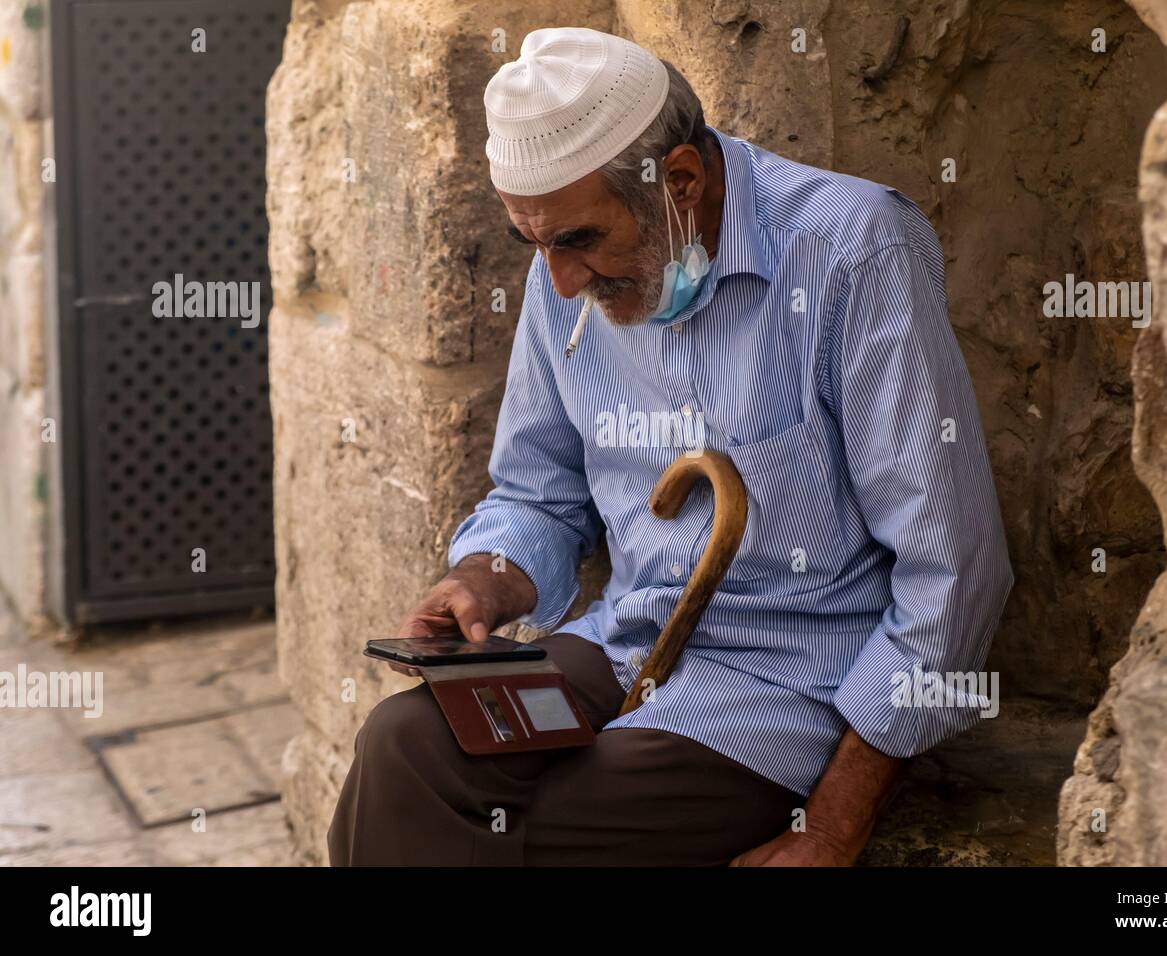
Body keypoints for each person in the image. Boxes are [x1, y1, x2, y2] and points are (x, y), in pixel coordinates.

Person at [328, 26, 1013, 867]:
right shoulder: (563, 273)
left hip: (788, 686)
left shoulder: (852, 247)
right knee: (402, 745)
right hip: (625, 639)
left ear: (679, 180)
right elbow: (535, 495)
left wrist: (836, 822)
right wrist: (487, 574)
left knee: (537, 834)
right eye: (533, 245)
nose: (558, 280)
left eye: (578, 240)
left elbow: (955, 570)